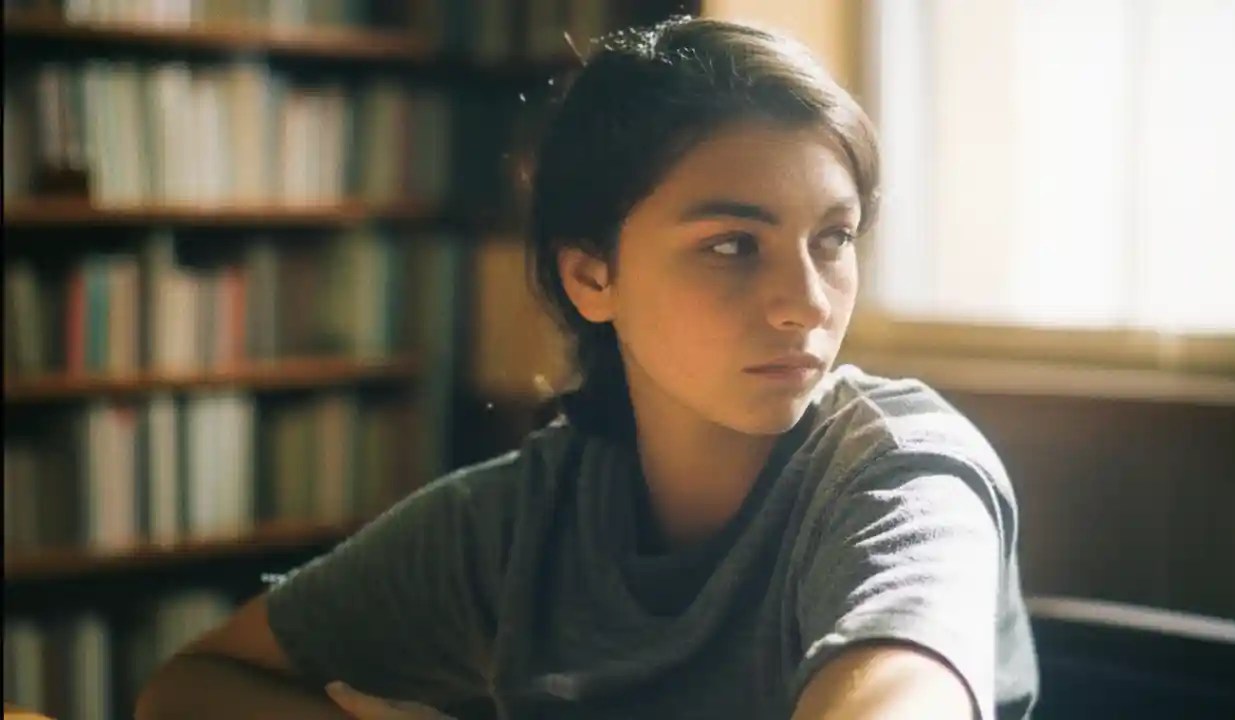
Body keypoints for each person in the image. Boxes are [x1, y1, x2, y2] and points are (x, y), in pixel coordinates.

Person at [137, 16, 1038, 720]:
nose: (805, 300)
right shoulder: (528, 518)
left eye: (832, 239)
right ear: (591, 275)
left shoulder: (900, 475)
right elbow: (190, 689)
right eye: (732, 245)